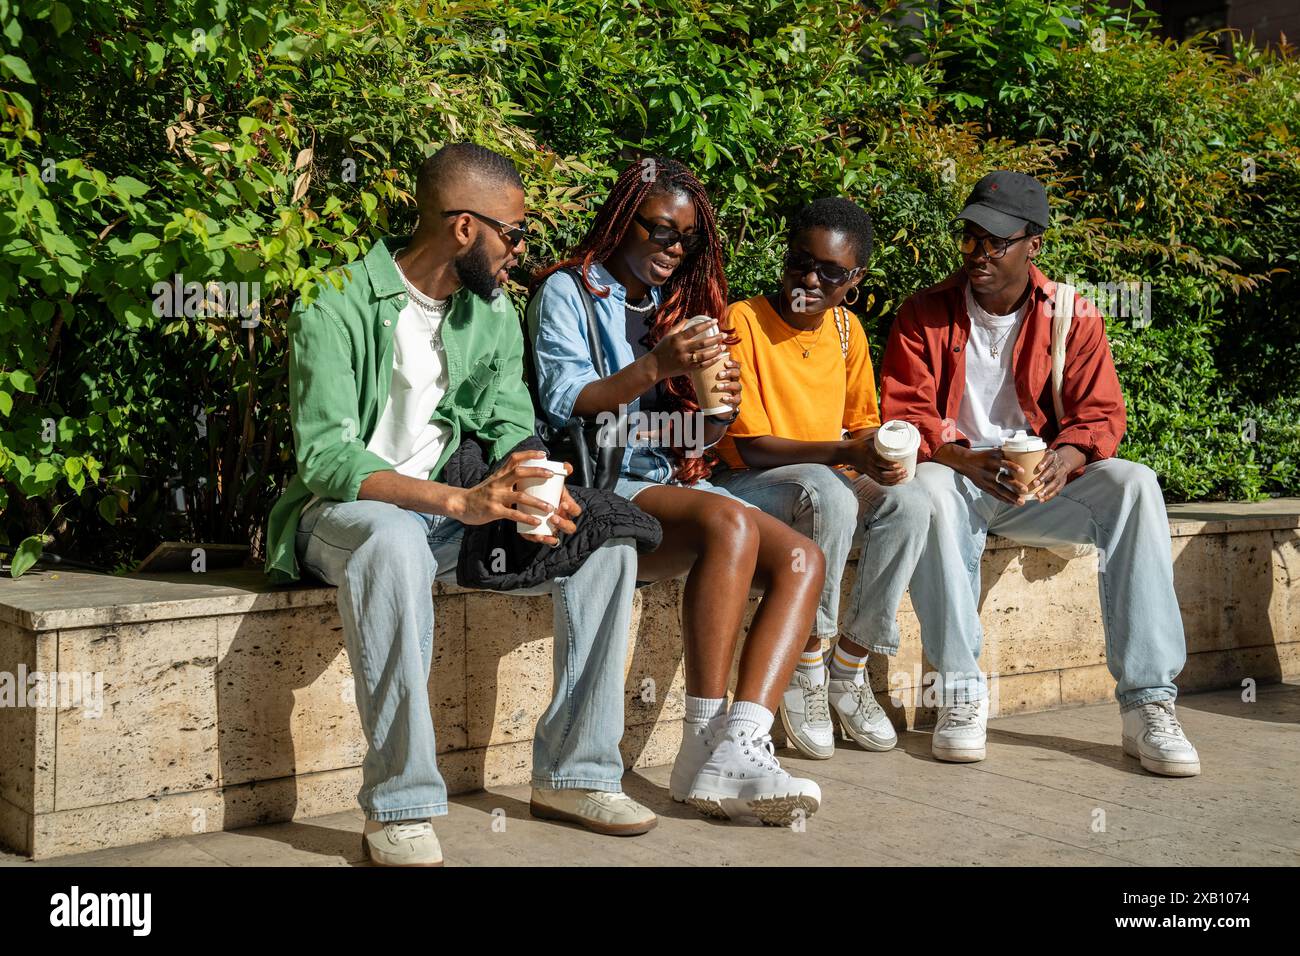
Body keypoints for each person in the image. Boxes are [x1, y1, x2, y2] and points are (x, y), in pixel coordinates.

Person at [263, 143, 658, 867]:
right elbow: (326, 459)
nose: (523, 252)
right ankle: (400, 804)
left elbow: (509, 417)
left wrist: (535, 481)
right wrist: (458, 500)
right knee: (393, 540)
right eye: (515, 234)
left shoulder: (489, 311)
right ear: (465, 228)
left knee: (605, 541)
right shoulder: (335, 298)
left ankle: (576, 773)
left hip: (454, 517)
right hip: (345, 518)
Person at [529, 157, 826, 824]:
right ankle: (701, 741)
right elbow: (568, 407)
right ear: (620, 221)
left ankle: (737, 742)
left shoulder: (678, 306)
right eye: (659, 230)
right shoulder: (570, 294)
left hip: (656, 479)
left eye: (685, 238)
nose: (671, 248)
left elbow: (669, 435)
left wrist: (711, 417)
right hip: (598, 485)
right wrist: (658, 365)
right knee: (730, 523)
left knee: (805, 560)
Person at [879, 170, 1200, 776]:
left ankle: (1148, 706)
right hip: (963, 482)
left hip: (1045, 490)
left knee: (1136, 485)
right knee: (928, 490)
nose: (980, 253)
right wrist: (961, 458)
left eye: (997, 241)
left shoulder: (1071, 315)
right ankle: (960, 693)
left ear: (1034, 245)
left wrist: (1070, 456)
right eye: (971, 237)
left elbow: (1099, 412)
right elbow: (906, 412)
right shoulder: (924, 313)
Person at [710, 197, 931, 759]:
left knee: (911, 503)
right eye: (799, 262)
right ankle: (806, 657)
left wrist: (882, 457)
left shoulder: (846, 330)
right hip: (753, 485)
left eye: (829, 272)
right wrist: (846, 450)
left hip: (826, 478)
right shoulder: (743, 321)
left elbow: (863, 424)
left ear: (854, 279)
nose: (808, 279)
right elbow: (749, 447)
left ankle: (848, 667)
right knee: (827, 489)